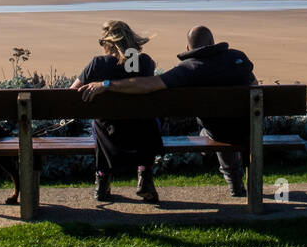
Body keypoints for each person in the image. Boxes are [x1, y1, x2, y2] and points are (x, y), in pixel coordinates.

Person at [81, 25, 256, 197]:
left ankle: (102, 180)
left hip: (218, 131)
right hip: (251, 127)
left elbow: (148, 85)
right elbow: (254, 86)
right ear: (213, 42)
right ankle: (235, 185)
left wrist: (107, 84)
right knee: (222, 126)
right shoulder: (238, 57)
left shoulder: (188, 69)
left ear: (188, 48)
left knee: (215, 130)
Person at [70, 20, 163, 202]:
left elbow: (71, 97)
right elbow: (137, 77)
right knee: (148, 121)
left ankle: (102, 179)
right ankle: (145, 176)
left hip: (109, 135)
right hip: (143, 134)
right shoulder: (145, 63)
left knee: (99, 123)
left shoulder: (97, 64)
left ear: (108, 43)